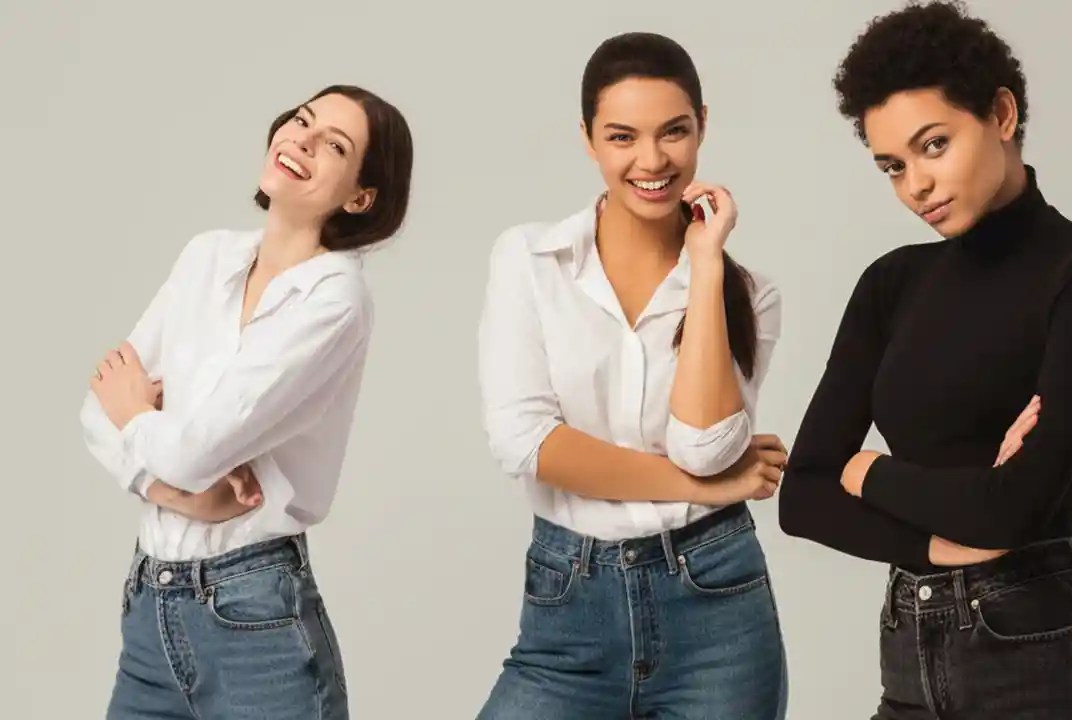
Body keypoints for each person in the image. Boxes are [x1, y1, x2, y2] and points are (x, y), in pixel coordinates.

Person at [778, 3, 1072, 717]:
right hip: (908, 649)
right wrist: (943, 542)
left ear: (1001, 114)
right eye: (892, 165)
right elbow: (802, 498)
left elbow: (1012, 510)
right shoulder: (893, 282)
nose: (914, 185)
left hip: (1037, 655)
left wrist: (866, 471)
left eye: (933, 145)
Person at [476, 31, 788, 719]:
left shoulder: (747, 292)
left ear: (702, 125)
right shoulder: (531, 260)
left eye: (674, 132)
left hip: (717, 609)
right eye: (622, 137)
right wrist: (706, 486)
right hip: (568, 607)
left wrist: (706, 265)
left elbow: (703, 445)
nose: (652, 160)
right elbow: (526, 444)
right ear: (588, 138)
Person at [82, 84, 413, 719]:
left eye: (334, 146)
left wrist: (139, 417)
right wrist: (181, 493)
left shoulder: (334, 299)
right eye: (302, 120)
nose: (302, 140)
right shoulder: (207, 257)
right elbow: (97, 410)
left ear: (360, 195)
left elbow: (191, 445)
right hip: (149, 606)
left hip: (254, 618)